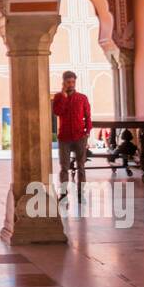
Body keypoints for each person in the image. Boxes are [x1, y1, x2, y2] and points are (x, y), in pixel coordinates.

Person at [52, 71, 92, 199]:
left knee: (81, 166)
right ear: (64, 83)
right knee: (64, 167)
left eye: (73, 82)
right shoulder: (58, 97)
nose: (71, 84)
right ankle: (63, 194)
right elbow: (58, 112)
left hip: (80, 136)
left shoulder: (82, 98)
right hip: (64, 137)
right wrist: (63, 96)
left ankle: (81, 193)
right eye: (68, 82)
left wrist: (87, 132)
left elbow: (88, 116)